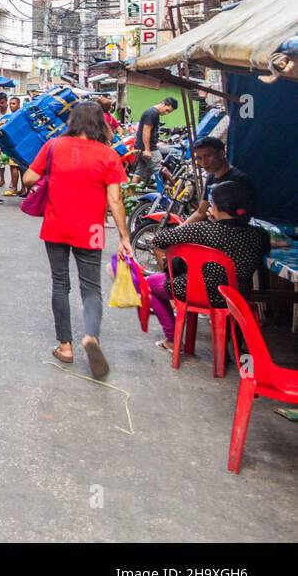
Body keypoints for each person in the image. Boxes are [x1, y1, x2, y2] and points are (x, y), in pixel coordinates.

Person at [21, 101, 133, 378]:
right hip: (91, 228)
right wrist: (124, 236)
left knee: (60, 283)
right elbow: (115, 200)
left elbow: (28, 178)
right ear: (100, 124)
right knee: (91, 288)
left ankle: (65, 347)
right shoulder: (108, 155)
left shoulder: (53, 146)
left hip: (56, 225)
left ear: (73, 121)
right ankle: (91, 336)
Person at [146, 180, 270, 353]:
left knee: (149, 284)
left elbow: (159, 240)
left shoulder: (202, 230)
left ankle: (172, 339)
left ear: (216, 206)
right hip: (236, 297)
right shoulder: (260, 236)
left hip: (196, 292)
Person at [184, 136, 253, 225]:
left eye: (208, 156)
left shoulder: (239, 180)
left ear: (222, 153)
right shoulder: (210, 178)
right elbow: (200, 213)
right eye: (199, 158)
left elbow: (244, 216)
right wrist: (175, 232)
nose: (204, 163)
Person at [132, 96, 179, 183]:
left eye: (169, 112)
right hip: (149, 149)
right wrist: (147, 149)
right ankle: (161, 194)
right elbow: (146, 131)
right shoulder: (152, 113)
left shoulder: (152, 112)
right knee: (160, 171)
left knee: (138, 173)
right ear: (163, 104)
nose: (166, 113)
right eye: (167, 110)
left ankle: (129, 194)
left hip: (141, 148)